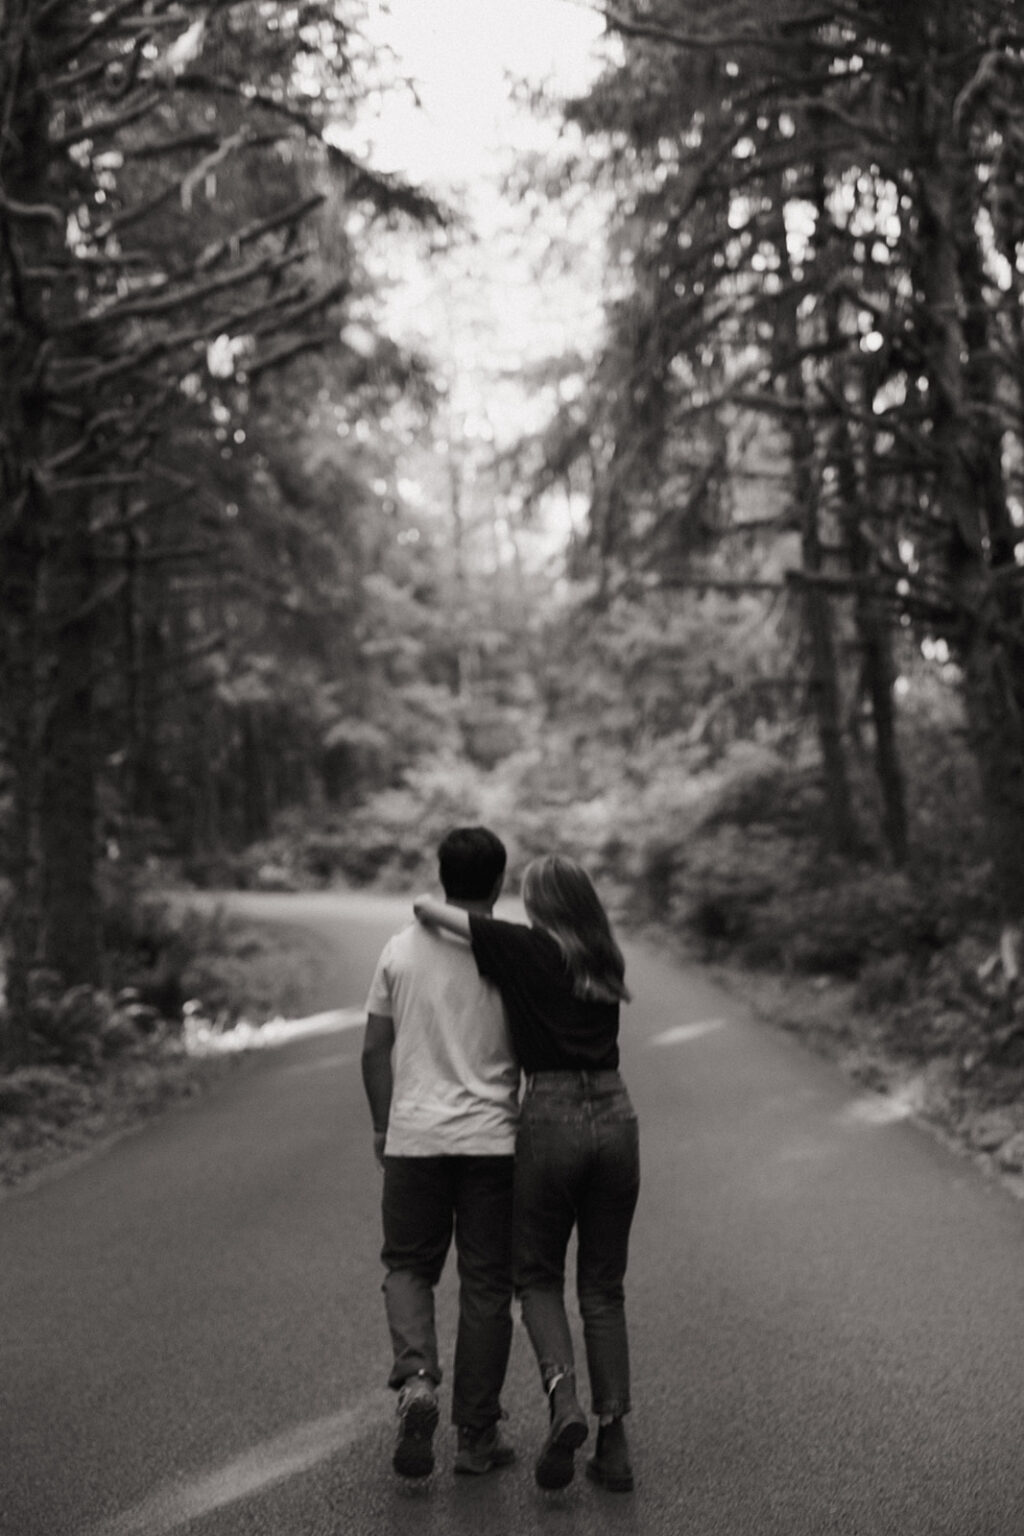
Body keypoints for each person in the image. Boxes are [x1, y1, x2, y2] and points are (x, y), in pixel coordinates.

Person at [414, 853, 640, 1494]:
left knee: (537, 1275)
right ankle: (614, 1445)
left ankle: (563, 1401)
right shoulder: (605, 958)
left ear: (537, 905)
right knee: (604, 1287)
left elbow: (427, 910)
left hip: (551, 1117)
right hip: (617, 1115)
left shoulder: (520, 946)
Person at [362, 827, 520, 1480]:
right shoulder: (512, 952)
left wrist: (382, 1127)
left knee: (408, 1265)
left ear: (442, 873)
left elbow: (374, 1048)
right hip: (492, 1141)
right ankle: (476, 1438)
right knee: (486, 1284)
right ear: (499, 881)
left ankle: (419, 1380)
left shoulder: (400, 949)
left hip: (416, 1139)